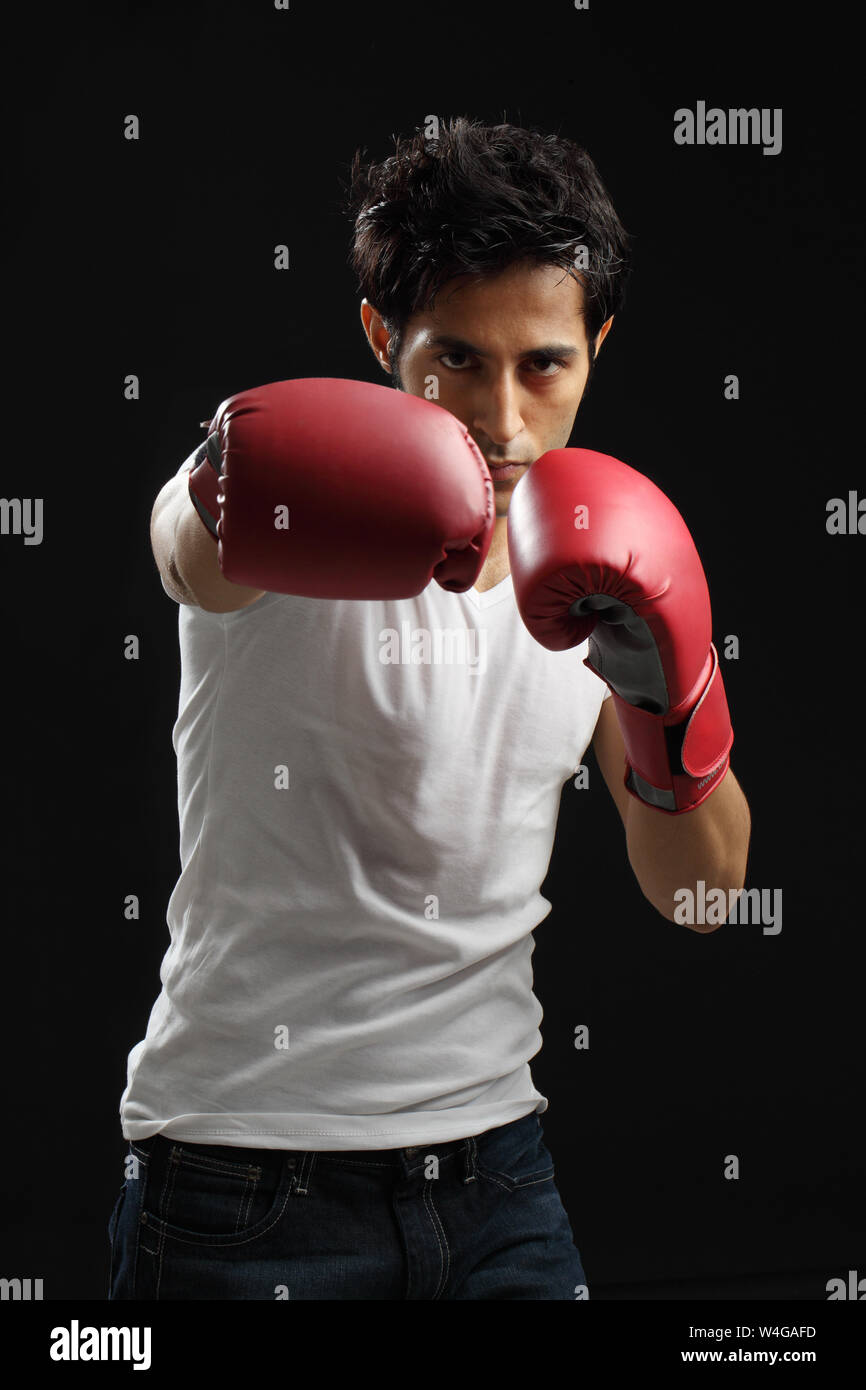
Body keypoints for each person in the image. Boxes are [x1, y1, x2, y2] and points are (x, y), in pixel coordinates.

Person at [107, 116, 751, 1301]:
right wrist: (229, 479)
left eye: (543, 363)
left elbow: (700, 897)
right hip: (242, 1181)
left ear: (596, 345)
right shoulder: (277, 509)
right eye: (455, 357)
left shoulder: (601, 566)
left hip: (498, 1179)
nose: (502, 419)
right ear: (379, 338)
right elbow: (190, 557)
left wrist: (668, 696)